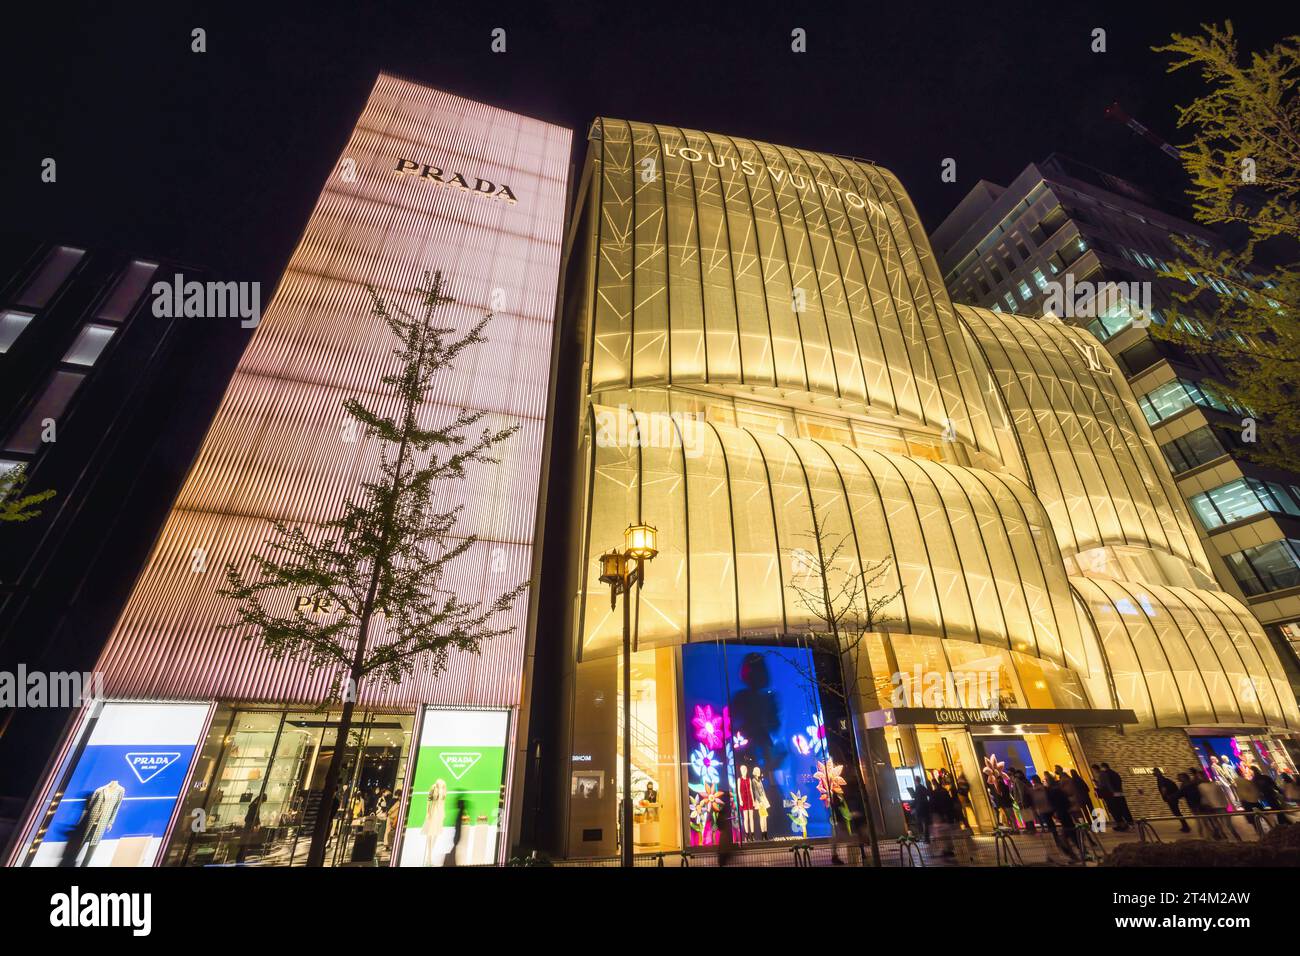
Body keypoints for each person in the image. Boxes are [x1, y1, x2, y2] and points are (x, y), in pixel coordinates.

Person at [1154, 768, 1190, 833]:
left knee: (1177, 813)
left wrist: (1165, 797)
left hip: (1171, 798)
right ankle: (1185, 826)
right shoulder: (1164, 779)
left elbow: (1163, 788)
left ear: (1157, 772)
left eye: (1154, 772)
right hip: (1173, 797)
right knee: (1177, 813)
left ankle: (1186, 827)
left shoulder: (1160, 779)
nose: (1153, 773)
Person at [1099, 763, 1132, 830]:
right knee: (1124, 808)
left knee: (1115, 810)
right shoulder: (1115, 773)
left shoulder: (1105, 774)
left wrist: (1112, 792)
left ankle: (1121, 825)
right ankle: (1129, 822)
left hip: (1112, 795)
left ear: (1104, 767)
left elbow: (1108, 785)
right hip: (1119, 793)